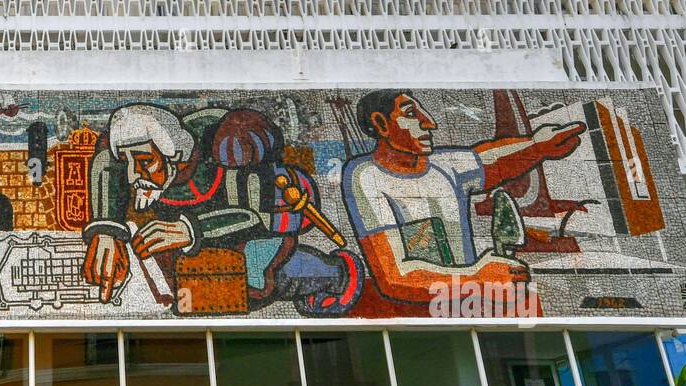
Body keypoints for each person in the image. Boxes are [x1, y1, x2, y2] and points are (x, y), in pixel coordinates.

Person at [82, 102, 364, 316]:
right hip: (188, 243)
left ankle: (339, 275)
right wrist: (106, 231)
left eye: (144, 162)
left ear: (175, 155)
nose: (133, 176)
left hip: (256, 230)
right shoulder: (145, 156)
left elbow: (252, 213)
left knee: (262, 274)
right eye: (129, 163)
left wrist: (190, 230)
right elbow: (108, 160)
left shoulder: (226, 146)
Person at [341, 89, 584, 311]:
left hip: (467, 307)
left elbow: (492, 159)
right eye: (412, 114)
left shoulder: (444, 166)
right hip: (420, 312)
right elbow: (394, 277)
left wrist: (537, 146)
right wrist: (478, 278)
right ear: (381, 124)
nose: (430, 123)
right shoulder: (365, 176)